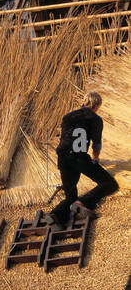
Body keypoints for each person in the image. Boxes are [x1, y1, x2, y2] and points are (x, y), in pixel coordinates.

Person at [46, 91, 118, 228]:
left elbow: (65, 138)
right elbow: (96, 144)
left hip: (62, 157)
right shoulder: (96, 119)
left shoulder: (67, 117)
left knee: (70, 195)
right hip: (79, 158)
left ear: (84, 102)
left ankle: (54, 215)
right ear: (96, 105)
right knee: (108, 183)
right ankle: (82, 203)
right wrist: (95, 159)